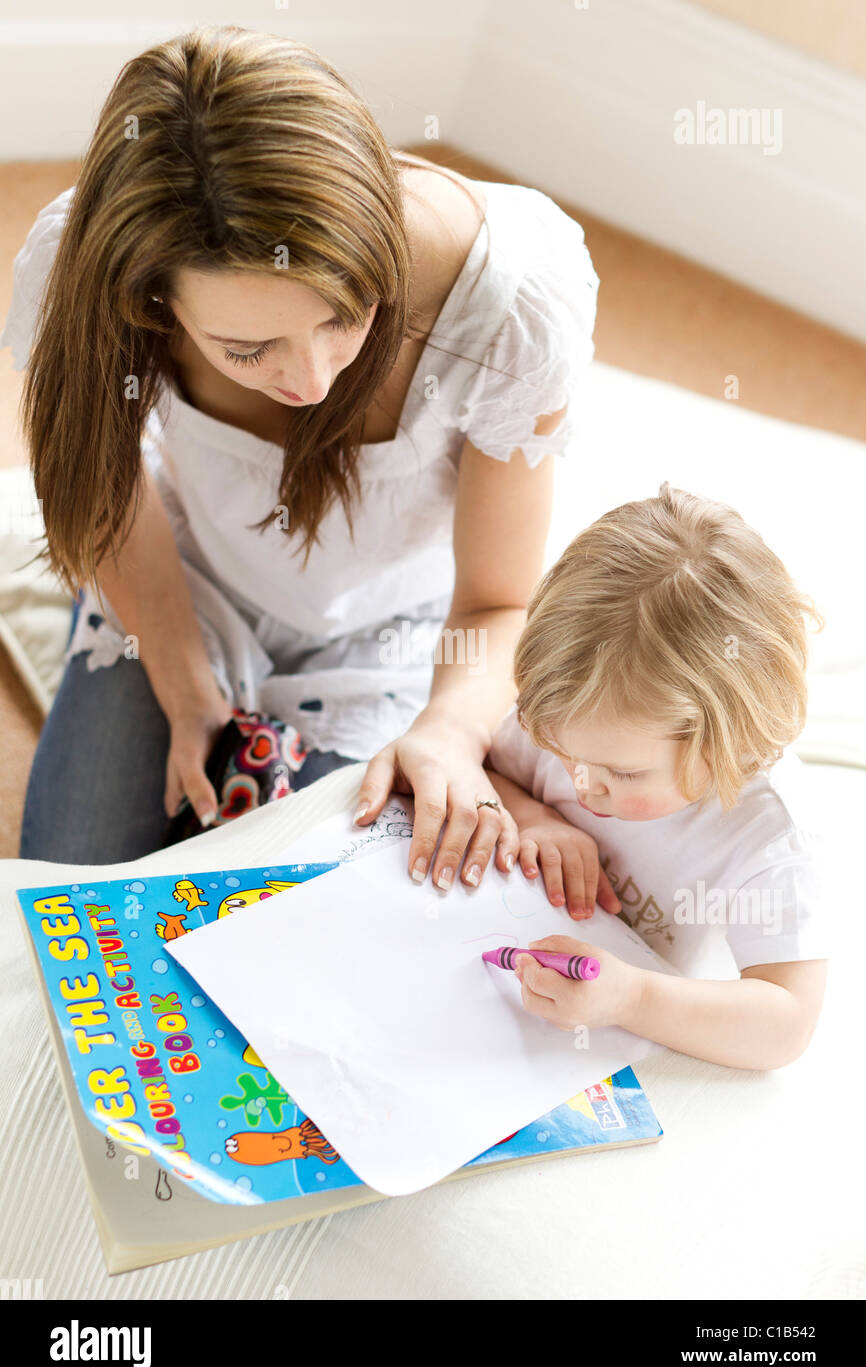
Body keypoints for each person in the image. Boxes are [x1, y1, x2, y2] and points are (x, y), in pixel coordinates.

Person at [2, 24, 600, 872]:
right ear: (155, 304)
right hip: (189, 582)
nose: (314, 379)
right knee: (69, 893)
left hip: (397, 634)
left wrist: (451, 731)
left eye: (344, 314)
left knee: (315, 902)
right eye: (248, 351)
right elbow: (104, 486)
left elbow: (499, 603)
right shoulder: (82, 270)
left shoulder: (510, 303)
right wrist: (181, 682)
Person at [483, 483, 829, 1070]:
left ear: (728, 744)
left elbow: (786, 1025)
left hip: (637, 1034)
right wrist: (529, 811)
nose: (582, 784)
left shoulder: (766, 837)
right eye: (563, 754)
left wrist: (632, 996)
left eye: (622, 773)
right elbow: (482, 761)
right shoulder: (580, 716)